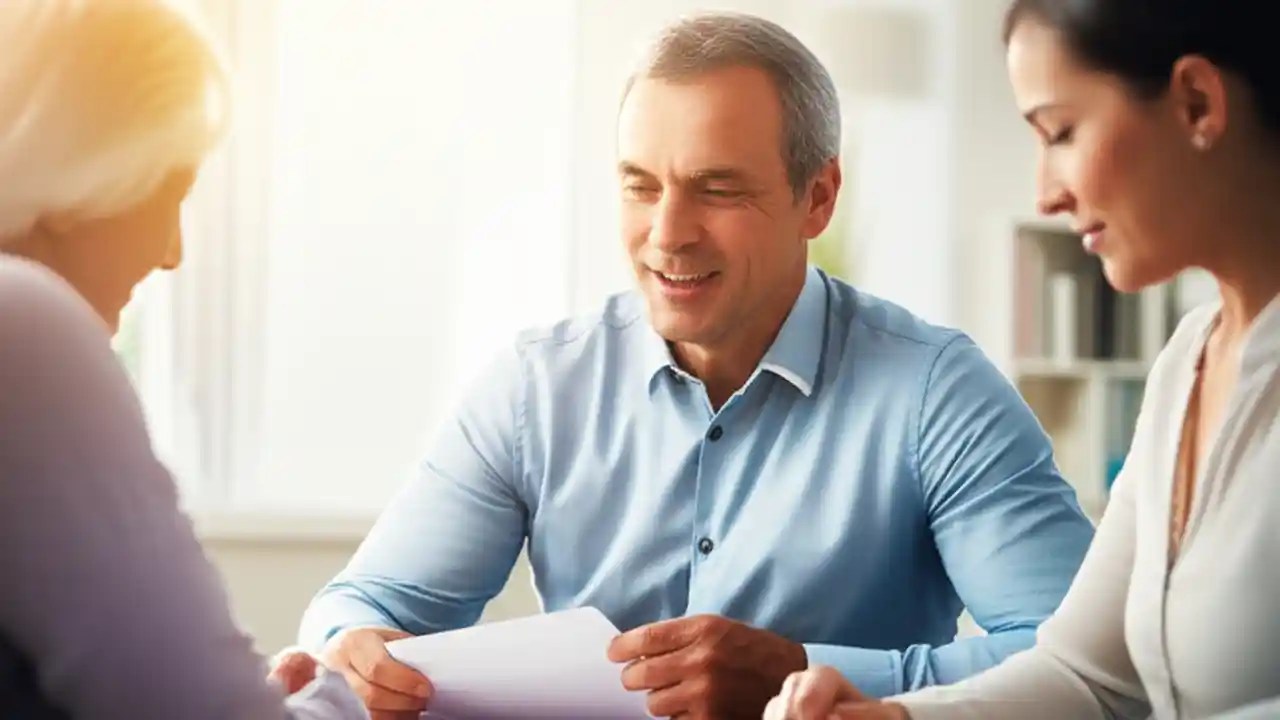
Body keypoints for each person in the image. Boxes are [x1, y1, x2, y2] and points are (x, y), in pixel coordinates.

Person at [299, 11, 1095, 720]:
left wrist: (803, 672)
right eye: (640, 187)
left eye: (717, 189)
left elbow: (1081, 665)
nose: (668, 234)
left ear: (817, 198)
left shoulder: (937, 392)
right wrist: (353, 650)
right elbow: (360, 608)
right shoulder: (537, 387)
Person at [765, 1, 1280, 719]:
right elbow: (1092, 677)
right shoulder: (1187, 363)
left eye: (1061, 133)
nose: (1046, 191)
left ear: (1197, 102)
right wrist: (893, 716)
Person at [0, 1, 368, 717]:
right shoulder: (24, 326)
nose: (172, 252)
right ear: (83, 171)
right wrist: (338, 699)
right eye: (170, 192)